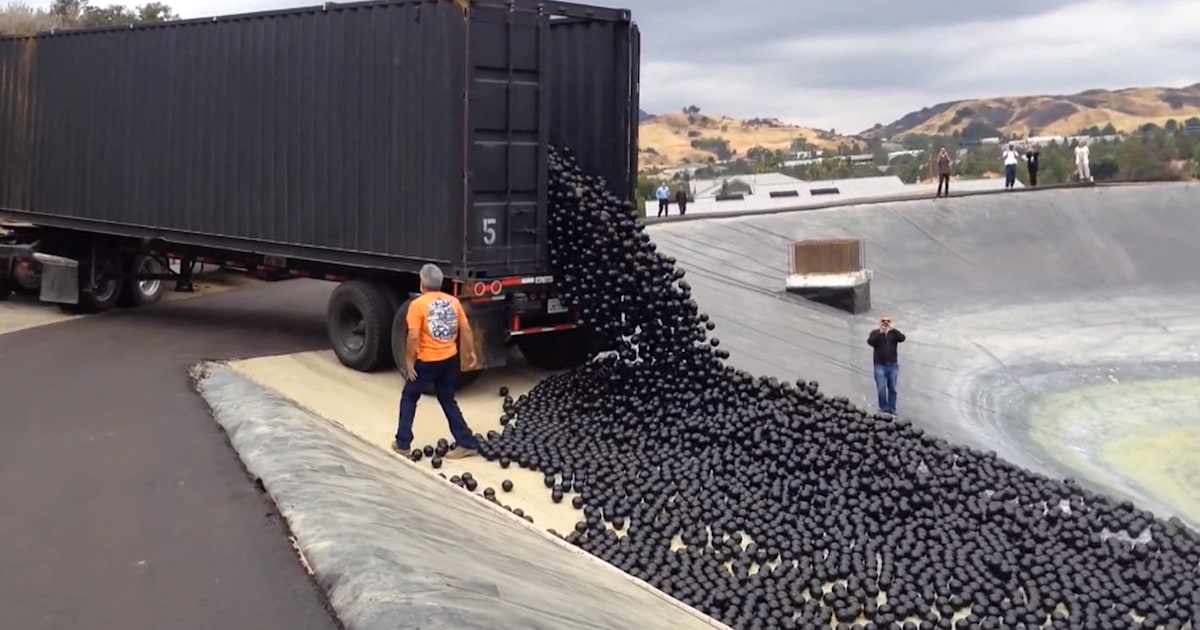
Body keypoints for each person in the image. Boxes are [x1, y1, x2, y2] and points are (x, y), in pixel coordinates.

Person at [393, 263, 482, 459]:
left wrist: (409, 361)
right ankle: (466, 442)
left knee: (409, 396)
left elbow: (413, 337)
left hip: (427, 361)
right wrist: (470, 352)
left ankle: (403, 443)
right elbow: (466, 330)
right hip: (449, 359)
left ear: (422, 283)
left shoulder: (417, 305)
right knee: (447, 398)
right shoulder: (453, 302)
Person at [866, 315, 905, 415]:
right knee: (881, 388)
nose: (886, 323)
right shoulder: (875, 333)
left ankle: (892, 408)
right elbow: (870, 342)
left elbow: (902, 338)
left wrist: (893, 329)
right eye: (883, 321)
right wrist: (880, 333)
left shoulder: (893, 334)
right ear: (880, 322)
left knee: (892, 388)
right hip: (879, 365)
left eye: (888, 321)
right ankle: (883, 408)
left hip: (892, 365)